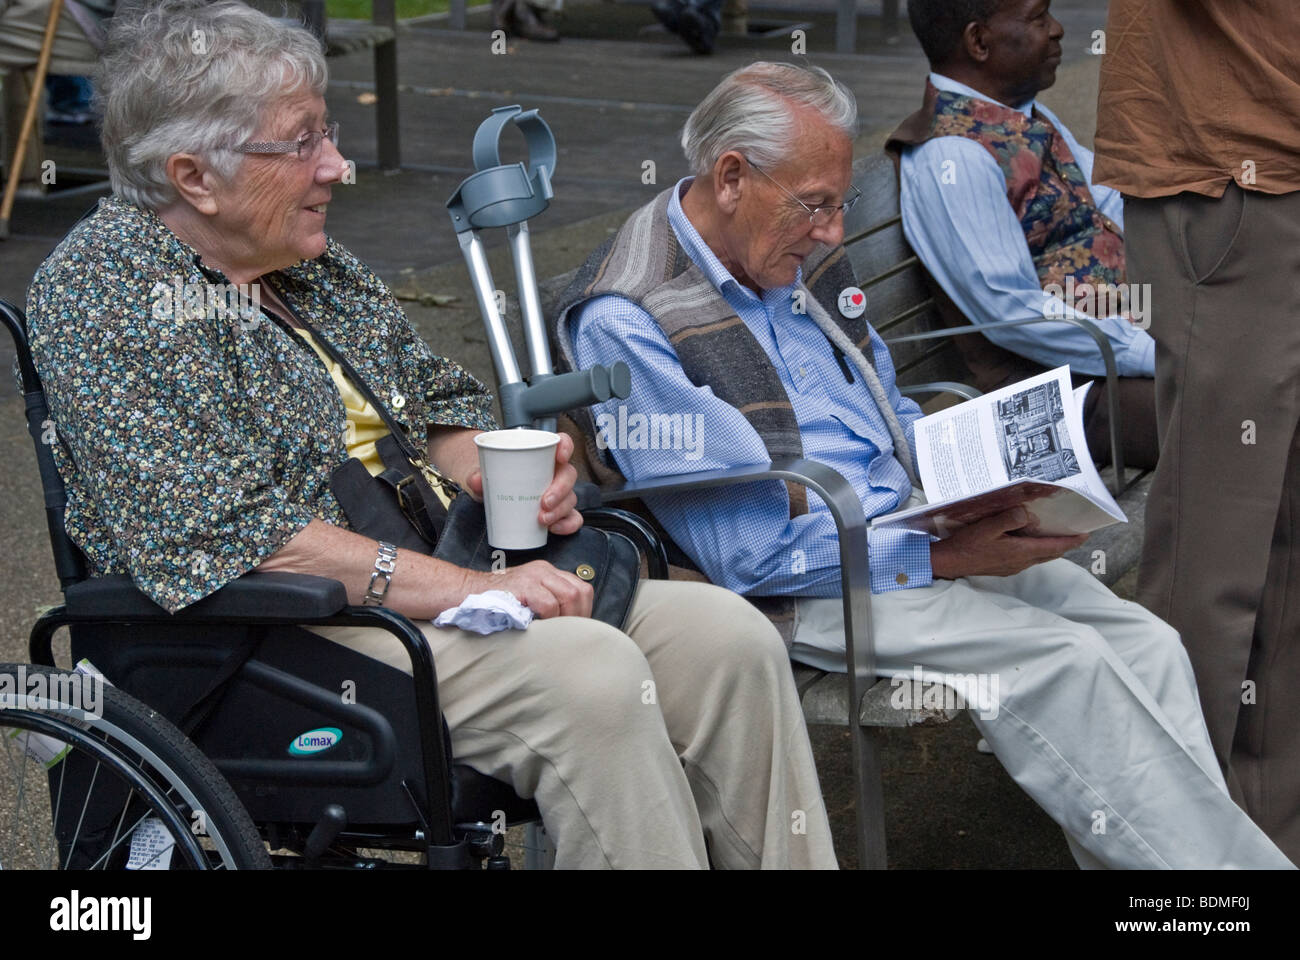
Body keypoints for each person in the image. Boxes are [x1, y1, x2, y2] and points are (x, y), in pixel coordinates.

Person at [25, 1, 836, 870]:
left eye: (329, 131)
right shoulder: (104, 298)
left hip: (431, 579)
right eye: (302, 142)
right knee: (594, 679)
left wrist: (502, 473)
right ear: (193, 176)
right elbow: (233, 539)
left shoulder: (308, 263)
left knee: (731, 640)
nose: (337, 165)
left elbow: (439, 402)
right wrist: (460, 588)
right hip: (274, 639)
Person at [554, 61, 1294, 869]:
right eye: (818, 205)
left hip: (906, 516)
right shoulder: (631, 319)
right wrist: (935, 552)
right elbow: (748, 558)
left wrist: (964, 479)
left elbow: (879, 392)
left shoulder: (781, 243)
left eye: (839, 204)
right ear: (731, 176)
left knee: (1143, 641)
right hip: (809, 582)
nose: (834, 231)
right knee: (1063, 663)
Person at [1094, 0, 1300, 861]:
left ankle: (1258, 849)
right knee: (1213, 567)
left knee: (1282, 555)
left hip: (1260, 167)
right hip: (1236, 173)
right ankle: (1173, 868)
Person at [885, 0, 1157, 470]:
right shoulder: (953, 156)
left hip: (1117, 338)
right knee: (1244, 410)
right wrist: (1158, 352)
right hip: (1055, 398)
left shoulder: (1022, 117)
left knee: (1268, 365)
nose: (1056, 30)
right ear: (979, 41)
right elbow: (1012, 313)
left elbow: (1108, 202)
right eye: (1037, 18)